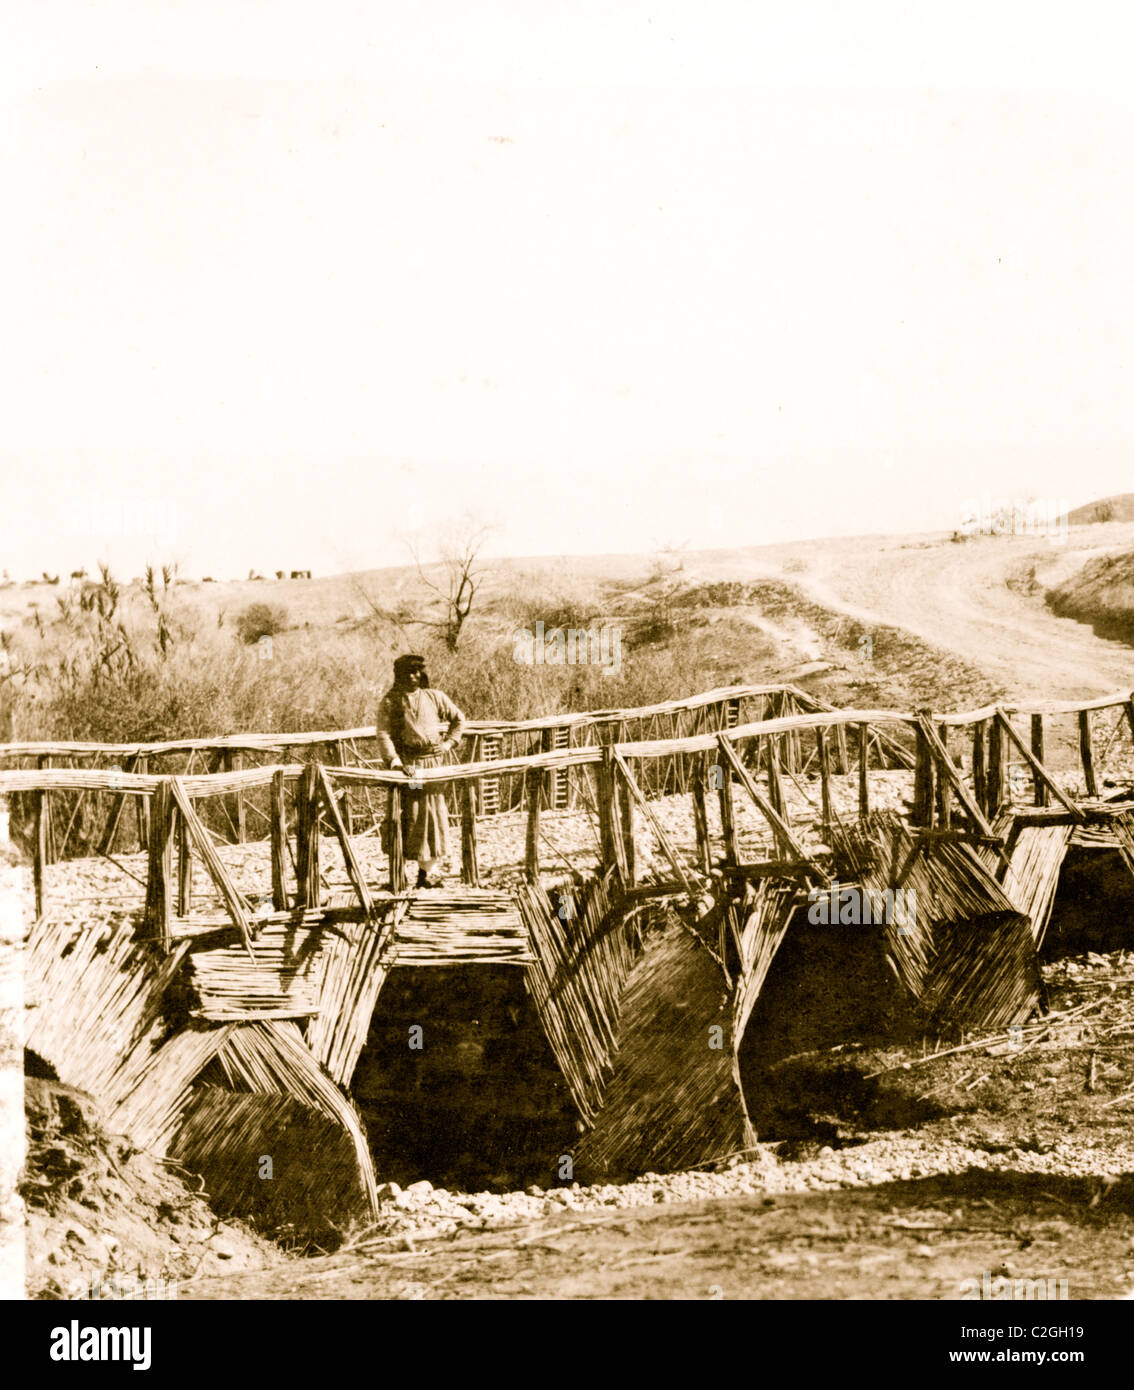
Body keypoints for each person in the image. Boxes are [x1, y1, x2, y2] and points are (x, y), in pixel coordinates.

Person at [375, 654, 466, 887]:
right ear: (399, 675)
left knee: (434, 813)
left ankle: (427, 874)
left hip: (434, 765)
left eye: (416, 671)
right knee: (412, 813)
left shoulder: (434, 697)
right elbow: (383, 733)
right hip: (411, 768)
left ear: (421, 674)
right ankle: (401, 873)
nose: (412, 676)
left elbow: (459, 720)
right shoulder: (391, 702)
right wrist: (394, 761)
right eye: (408, 672)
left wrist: (448, 744)